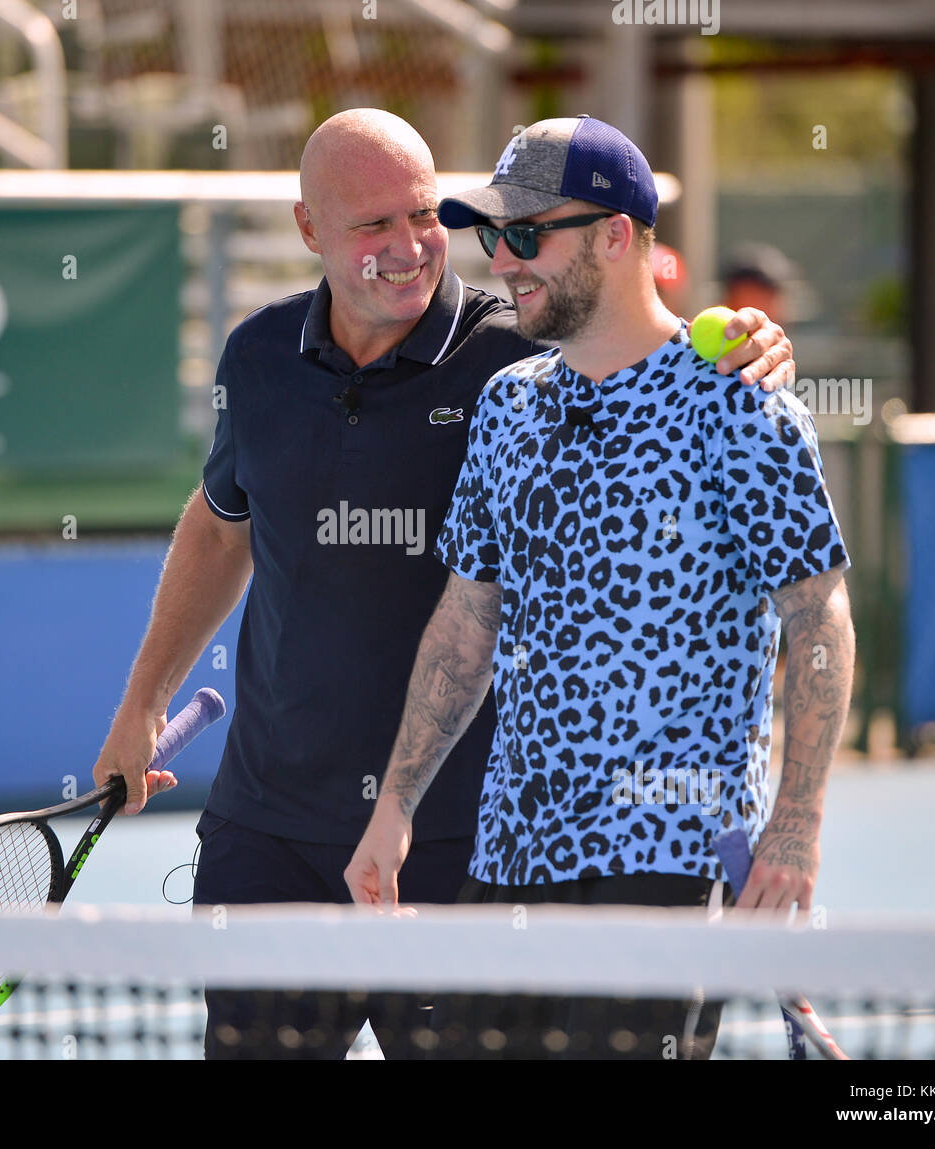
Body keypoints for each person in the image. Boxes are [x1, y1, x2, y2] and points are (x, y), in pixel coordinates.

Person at [91, 109, 798, 1059]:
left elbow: (645, 341)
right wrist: (143, 701)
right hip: (266, 828)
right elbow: (222, 529)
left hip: (458, 847)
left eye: (423, 215)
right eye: (372, 225)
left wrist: (745, 344)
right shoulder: (257, 359)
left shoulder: (527, 359)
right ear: (309, 231)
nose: (410, 246)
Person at [345, 116, 855, 1059]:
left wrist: (796, 821)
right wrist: (395, 807)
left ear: (618, 235)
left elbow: (817, 612)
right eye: (494, 235)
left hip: (666, 856)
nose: (504, 259)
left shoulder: (739, 400)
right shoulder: (506, 407)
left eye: (530, 234)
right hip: (511, 854)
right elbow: (467, 624)